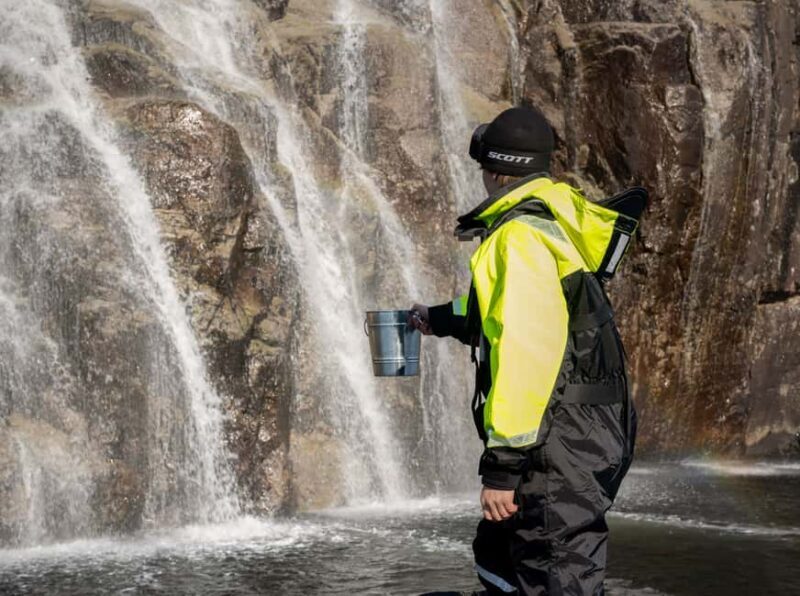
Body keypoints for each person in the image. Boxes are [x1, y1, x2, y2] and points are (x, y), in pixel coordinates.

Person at [410, 107, 644, 595]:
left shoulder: (517, 236)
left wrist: (503, 466)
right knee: (503, 558)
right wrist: (438, 317)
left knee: (554, 567)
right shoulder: (555, 223)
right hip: (584, 427)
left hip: (555, 440)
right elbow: (511, 310)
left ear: (495, 170)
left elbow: (526, 350)